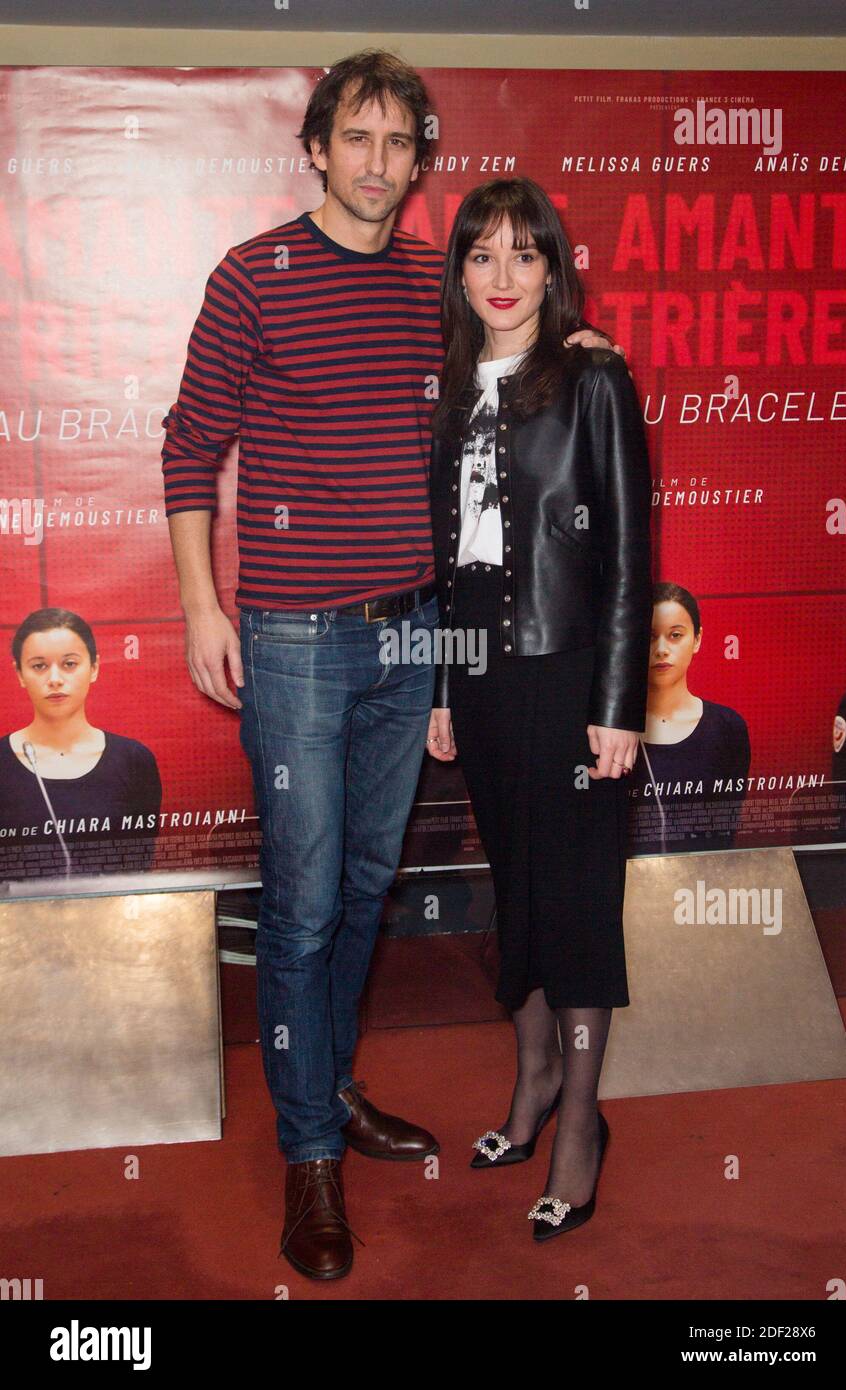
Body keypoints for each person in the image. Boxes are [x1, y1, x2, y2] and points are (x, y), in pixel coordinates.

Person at [160, 50, 621, 1281]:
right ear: (314, 147)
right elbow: (188, 444)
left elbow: (522, 358)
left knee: (364, 885)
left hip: (420, 633)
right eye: (352, 138)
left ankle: (332, 1085)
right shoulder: (250, 276)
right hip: (298, 639)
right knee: (303, 902)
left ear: (420, 159)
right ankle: (308, 1151)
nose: (376, 161)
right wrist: (202, 603)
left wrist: (586, 347)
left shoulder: (442, 282)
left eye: (398, 141)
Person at [427, 176, 653, 1241]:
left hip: (570, 679)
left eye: (525, 255)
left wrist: (617, 704)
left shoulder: (593, 379)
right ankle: (527, 1088)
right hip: (477, 674)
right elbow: (444, 566)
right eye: (482, 256)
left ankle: (578, 1125)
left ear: (554, 271)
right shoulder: (448, 389)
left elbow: (625, 559)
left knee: (571, 900)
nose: (504, 277)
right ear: (459, 272)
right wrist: (440, 679)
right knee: (512, 892)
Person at [2, 608, 162, 880]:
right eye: (39, 666)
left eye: (70, 664)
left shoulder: (134, 761)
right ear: (19, 673)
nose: (54, 679)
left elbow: (137, 868)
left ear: (94, 668)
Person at [631, 583, 751, 854]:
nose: (661, 649)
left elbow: (724, 832)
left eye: (675, 635)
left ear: (696, 639)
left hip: (701, 887)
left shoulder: (727, 728)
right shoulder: (610, 727)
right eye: (649, 637)